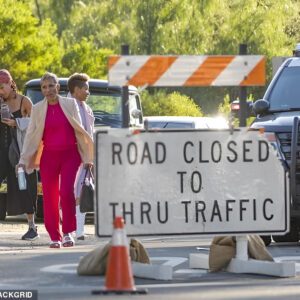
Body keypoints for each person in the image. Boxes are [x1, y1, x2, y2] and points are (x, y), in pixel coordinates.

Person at [18, 72, 93, 248]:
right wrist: (23, 160)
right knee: (50, 197)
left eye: (51, 86)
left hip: (70, 155)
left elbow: (80, 130)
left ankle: (67, 233)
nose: (48, 90)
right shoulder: (37, 109)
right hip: (49, 157)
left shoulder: (70, 103)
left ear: (58, 87)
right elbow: (30, 137)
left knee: (66, 192)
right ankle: (54, 236)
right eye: (44, 87)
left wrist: (88, 157)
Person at [0, 69, 38, 240]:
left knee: (24, 186)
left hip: (19, 152)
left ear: (10, 84)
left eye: (2, 87)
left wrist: (17, 123)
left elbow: (37, 125)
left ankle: (32, 227)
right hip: (1, 151)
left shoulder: (24, 101)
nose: (0, 92)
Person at [67, 73, 94, 240]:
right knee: (68, 192)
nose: (88, 92)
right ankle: (69, 229)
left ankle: (79, 230)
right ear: (76, 90)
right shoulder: (66, 106)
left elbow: (90, 133)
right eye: (85, 89)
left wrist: (90, 157)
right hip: (69, 155)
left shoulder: (87, 109)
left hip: (84, 157)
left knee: (81, 192)